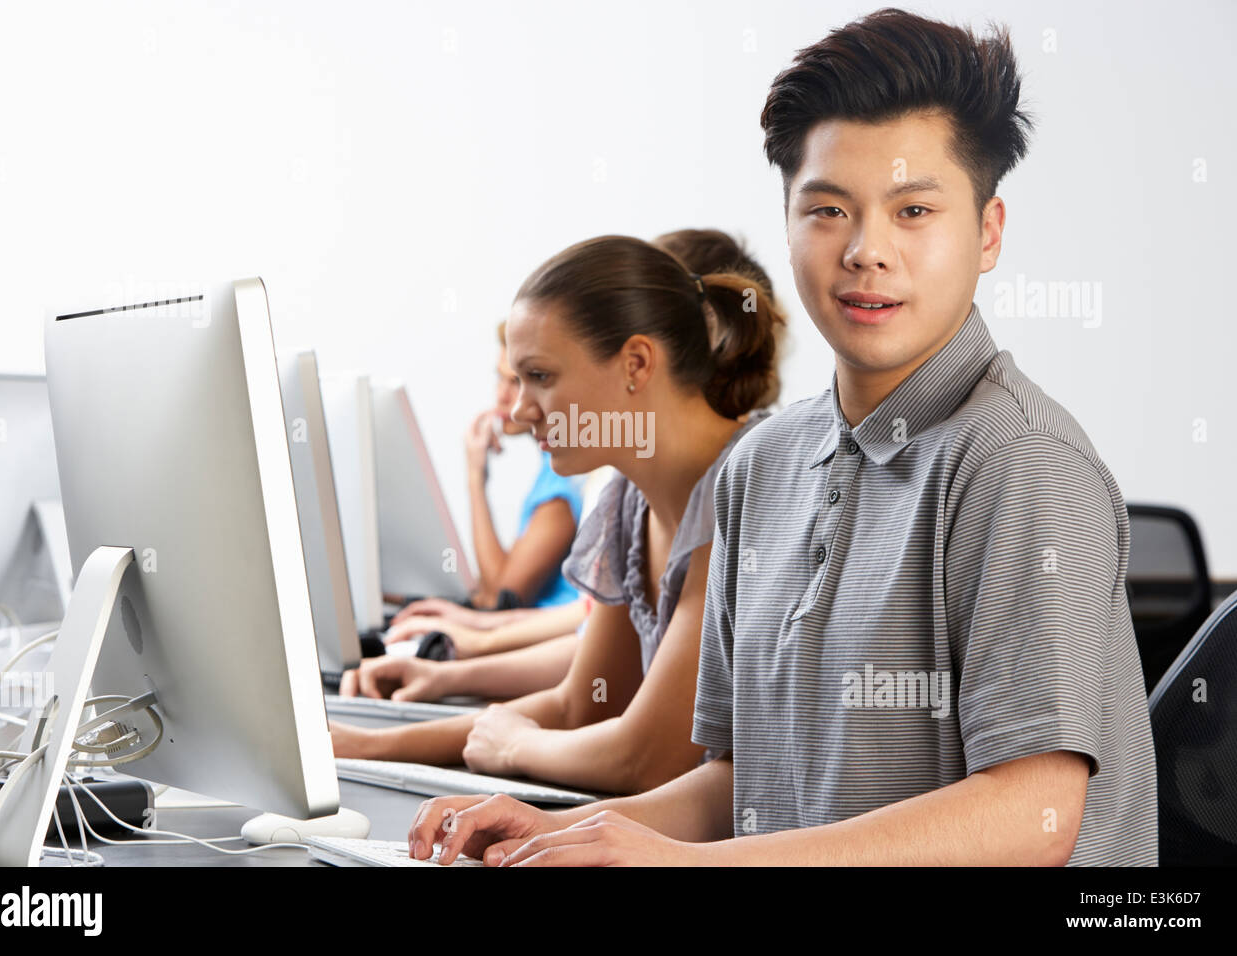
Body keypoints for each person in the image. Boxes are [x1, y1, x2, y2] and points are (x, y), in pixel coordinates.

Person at [406, 8, 1157, 866]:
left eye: (914, 210)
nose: (867, 251)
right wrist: (567, 829)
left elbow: (1034, 819)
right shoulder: (758, 469)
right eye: (829, 210)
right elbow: (742, 787)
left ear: (987, 232)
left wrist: (677, 865)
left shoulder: (1023, 464)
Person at [330, 233, 785, 796]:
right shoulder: (628, 500)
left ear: (636, 364)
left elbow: (646, 759)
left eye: (539, 377)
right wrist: (367, 747)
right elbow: (584, 703)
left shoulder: (750, 489)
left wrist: (516, 745)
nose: (520, 410)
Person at [462, 322, 584, 610]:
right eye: (500, 379)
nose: (503, 397)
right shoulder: (548, 471)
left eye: (516, 382)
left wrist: (474, 478)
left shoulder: (560, 489)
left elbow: (501, 598)